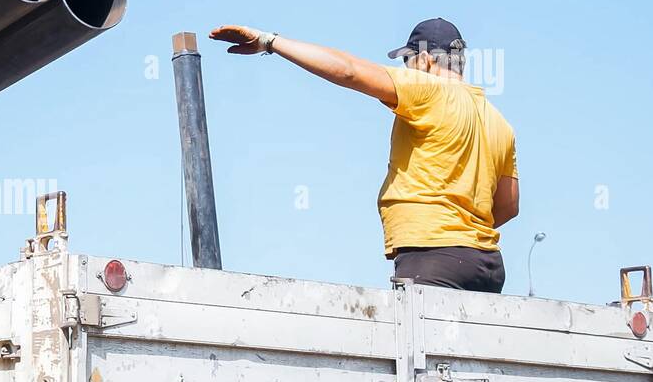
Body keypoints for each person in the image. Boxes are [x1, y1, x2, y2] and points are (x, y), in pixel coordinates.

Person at [209, 18, 518, 292]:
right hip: (486, 266)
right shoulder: (499, 123)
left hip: (433, 259)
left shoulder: (429, 89)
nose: (405, 71)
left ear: (424, 60)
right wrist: (462, 234)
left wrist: (269, 41)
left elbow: (349, 71)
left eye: (407, 62)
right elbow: (508, 206)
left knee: (418, 354)